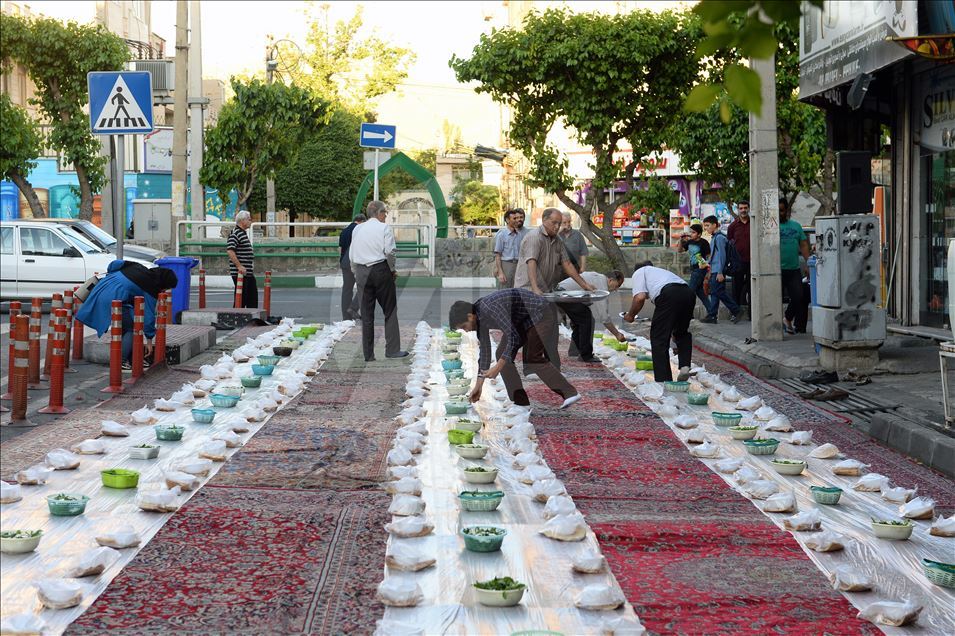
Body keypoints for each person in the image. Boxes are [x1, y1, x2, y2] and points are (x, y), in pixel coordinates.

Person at [448, 288, 580, 409]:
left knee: (533, 358)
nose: (467, 330)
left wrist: (498, 367)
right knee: (502, 354)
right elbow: (485, 353)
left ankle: (570, 393)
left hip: (540, 314)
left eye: (464, 326)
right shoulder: (479, 319)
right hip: (521, 322)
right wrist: (479, 386)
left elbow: (513, 337)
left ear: (470, 316)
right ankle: (520, 403)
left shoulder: (489, 308)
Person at [514, 208, 595, 369]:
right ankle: (530, 366)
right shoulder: (534, 237)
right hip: (528, 290)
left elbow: (567, 264)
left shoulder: (557, 241)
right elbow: (531, 263)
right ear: (544, 220)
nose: (557, 226)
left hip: (547, 291)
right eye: (554, 223)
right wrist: (535, 288)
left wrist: (585, 285)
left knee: (551, 328)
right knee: (532, 329)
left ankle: (552, 365)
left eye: (559, 223)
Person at [75, 260, 177, 370]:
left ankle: (134, 359)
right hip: (114, 298)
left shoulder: (138, 267)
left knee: (126, 324)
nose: (164, 291)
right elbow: (149, 316)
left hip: (103, 288)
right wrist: (149, 340)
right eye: (166, 288)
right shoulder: (151, 287)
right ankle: (121, 360)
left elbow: (115, 264)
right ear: (163, 284)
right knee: (133, 328)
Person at [349, 200, 407, 361]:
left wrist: (356, 273)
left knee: (366, 315)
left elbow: (352, 254)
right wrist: (392, 270)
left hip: (361, 271)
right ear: (380, 213)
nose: (386, 216)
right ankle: (392, 350)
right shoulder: (384, 228)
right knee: (389, 310)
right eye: (385, 213)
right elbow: (390, 252)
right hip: (380, 270)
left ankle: (368, 354)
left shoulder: (357, 229)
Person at [622, 261, 694, 383]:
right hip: (688, 293)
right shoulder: (661, 273)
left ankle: (663, 380)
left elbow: (639, 297)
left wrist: (630, 315)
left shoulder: (640, 272)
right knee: (681, 332)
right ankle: (685, 366)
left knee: (658, 338)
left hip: (669, 294)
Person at [557, 270, 629, 357]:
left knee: (581, 320)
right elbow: (604, 316)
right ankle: (586, 355)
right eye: (617, 286)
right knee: (588, 320)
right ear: (610, 280)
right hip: (565, 294)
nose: (616, 290)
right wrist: (617, 334)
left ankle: (574, 352)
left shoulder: (599, 278)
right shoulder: (602, 285)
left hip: (562, 292)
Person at [701, 215, 742, 324]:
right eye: (705, 226)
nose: (706, 228)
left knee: (718, 292)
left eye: (707, 225)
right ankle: (712, 315)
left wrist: (720, 272)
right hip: (715, 270)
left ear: (714, 225)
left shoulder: (719, 238)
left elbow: (722, 256)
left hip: (718, 271)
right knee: (715, 293)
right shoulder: (715, 237)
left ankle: (736, 310)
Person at [779, 198, 810, 334]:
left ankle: (788, 318)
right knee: (774, 299)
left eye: (781, 210)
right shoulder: (770, 227)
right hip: (775, 271)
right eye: (777, 210)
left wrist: (808, 263)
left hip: (793, 269)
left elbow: (803, 245)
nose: (779, 213)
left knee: (798, 296)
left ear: (786, 211)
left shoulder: (796, 226)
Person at [678, 224, 713, 317]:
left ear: (699, 234)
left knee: (690, 292)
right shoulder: (689, 242)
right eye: (691, 232)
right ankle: (711, 312)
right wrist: (681, 240)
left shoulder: (704, 243)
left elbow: (709, 257)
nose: (691, 234)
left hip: (700, 270)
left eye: (693, 232)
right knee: (700, 292)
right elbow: (680, 250)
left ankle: (687, 314)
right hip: (693, 269)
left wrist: (709, 271)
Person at [338, 213, 366, 321]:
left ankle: (346, 317)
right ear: (362, 221)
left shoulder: (344, 231)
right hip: (357, 262)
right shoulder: (361, 230)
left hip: (345, 262)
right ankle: (353, 308)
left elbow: (341, 248)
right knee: (364, 287)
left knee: (347, 289)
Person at [227, 211, 257, 308]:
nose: (250, 221)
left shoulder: (242, 233)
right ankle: (236, 318)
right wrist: (239, 266)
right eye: (248, 219)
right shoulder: (235, 233)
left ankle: (251, 318)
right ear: (242, 220)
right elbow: (230, 251)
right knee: (241, 299)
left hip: (247, 272)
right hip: (240, 273)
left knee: (252, 298)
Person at [493, 208, 529, 288]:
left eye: (518, 218)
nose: (517, 220)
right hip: (506, 265)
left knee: (516, 292)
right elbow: (498, 255)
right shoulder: (501, 235)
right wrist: (500, 272)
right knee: (504, 292)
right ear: (507, 220)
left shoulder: (519, 234)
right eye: (514, 218)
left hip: (518, 265)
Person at [727, 200, 751, 308]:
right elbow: (729, 244)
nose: (743, 210)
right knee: (737, 288)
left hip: (752, 261)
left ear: (749, 208)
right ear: (738, 210)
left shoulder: (754, 223)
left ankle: (752, 313)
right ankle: (735, 312)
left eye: (745, 208)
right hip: (738, 262)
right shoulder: (732, 226)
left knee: (752, 288)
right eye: (741, 208)